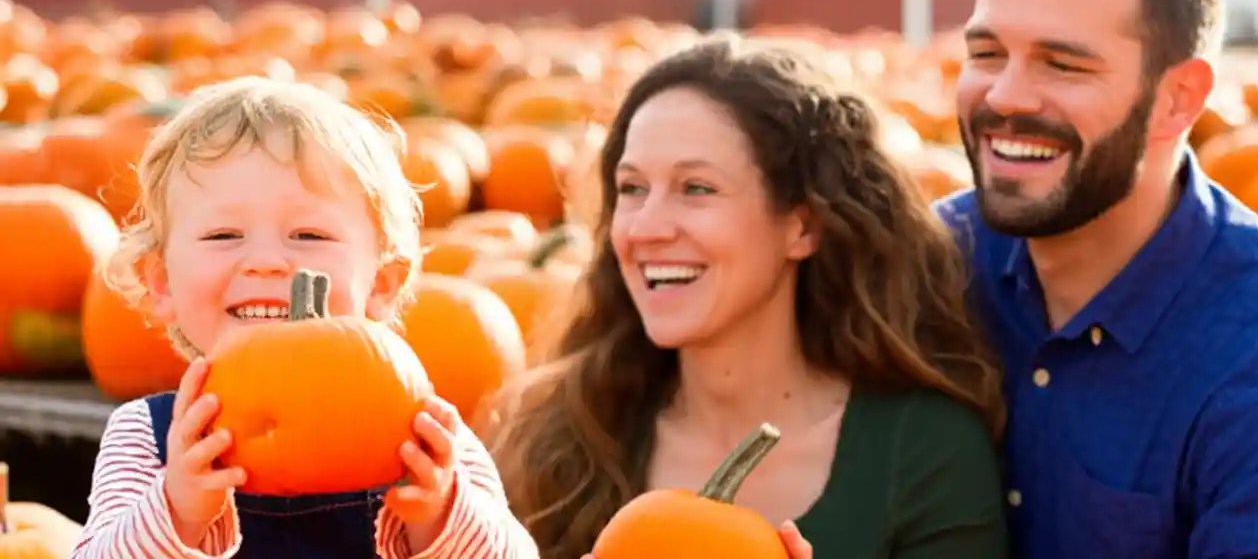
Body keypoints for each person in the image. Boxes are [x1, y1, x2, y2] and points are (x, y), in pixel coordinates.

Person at [485, 37, 1011, 559]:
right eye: (632, 189)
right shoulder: (561, 434)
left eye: (696, 188)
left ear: (802, 226)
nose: (645, 227)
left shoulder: (924, 453)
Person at [935, 0, 1258, 559]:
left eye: (1062, 65)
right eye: (987, 52)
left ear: (1177, 98)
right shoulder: (931, 262)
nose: (1005, 96)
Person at [71, 77, 538, 558]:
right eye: (223, 235)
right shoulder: (147, 439)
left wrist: (441, 515)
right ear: (162, 281)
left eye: (310, 235)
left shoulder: (426, 437)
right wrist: (177, 511)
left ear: (380, 283)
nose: (268, 260)